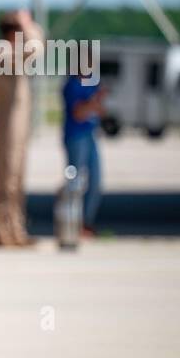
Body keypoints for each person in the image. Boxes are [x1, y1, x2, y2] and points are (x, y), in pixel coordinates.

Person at [0, 9, 43, 247]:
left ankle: (16, 229)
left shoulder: (13, 53)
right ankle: (0, 230)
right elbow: (36, 49)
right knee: (6, 181)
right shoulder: (0, 51)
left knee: (17, 180)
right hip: (7, 125)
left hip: (17, 127)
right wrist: (28, 25)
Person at [63, 54, 105, 236]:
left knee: (95, 180)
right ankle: (72, 221)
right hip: (76, 136)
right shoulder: (72, 86)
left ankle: (86, 222)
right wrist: (93, 103)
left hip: (89, 134)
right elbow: (79, 113)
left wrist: (94, 104)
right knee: (75, 181)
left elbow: (101, 111)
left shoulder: (92, 84)